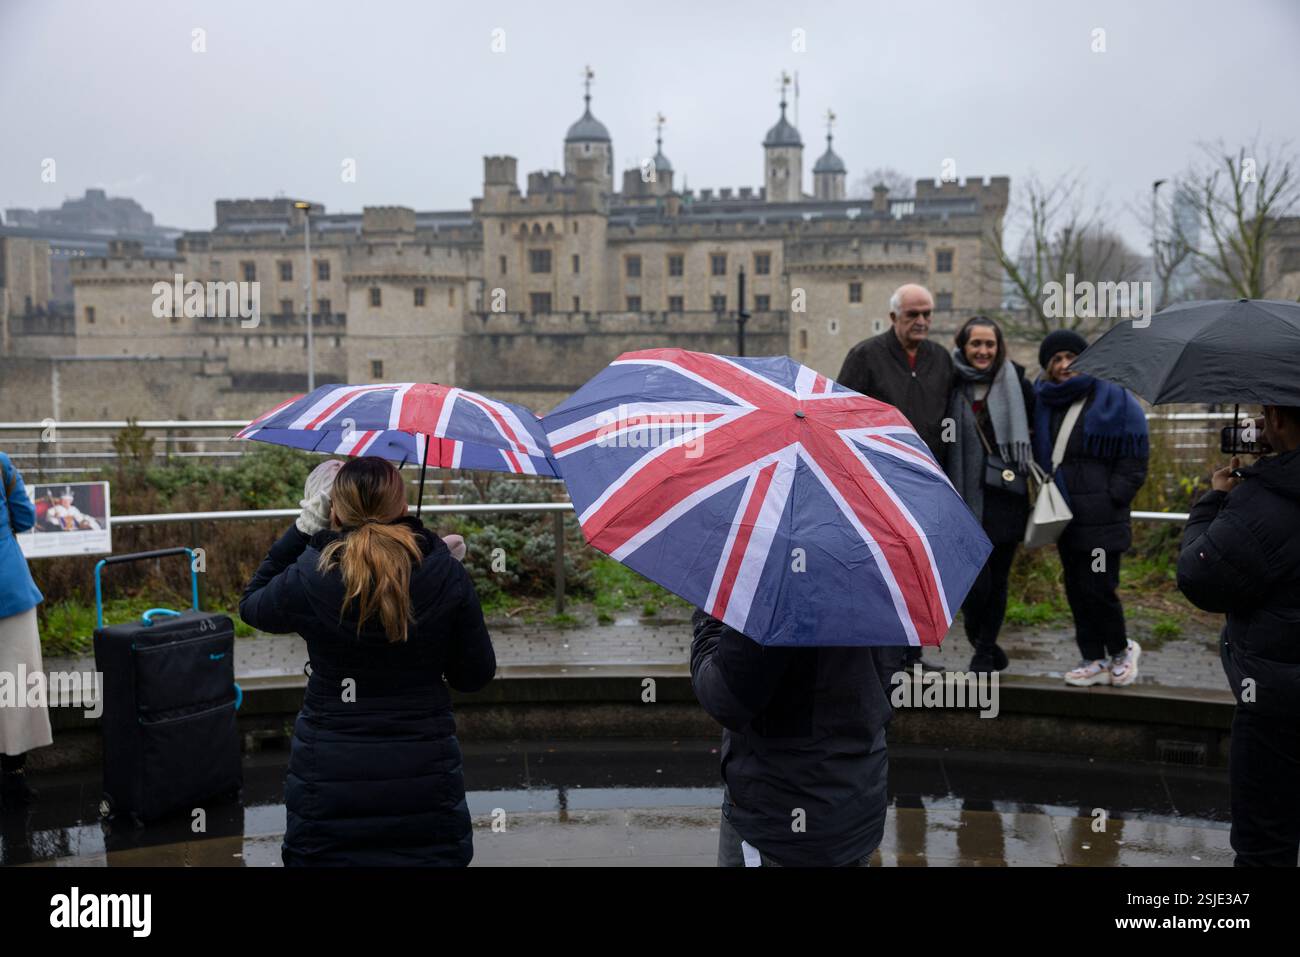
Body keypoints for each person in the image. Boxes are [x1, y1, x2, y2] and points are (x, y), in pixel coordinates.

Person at [240, 456, 495, 866]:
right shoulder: (444, 573)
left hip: (329, 783)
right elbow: (474, 675)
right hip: (424, 781)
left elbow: (252, 605)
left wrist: (303, 530)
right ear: (405, 508)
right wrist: (443, 590)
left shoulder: (310, 573)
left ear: (334, 511)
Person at [1177, 405, 1300, 866]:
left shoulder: (1264, 502)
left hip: (1276, 705)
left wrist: (1215, 499)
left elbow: (1199, 576)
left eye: (1265, 417)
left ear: (1279, 420)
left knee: (1265, 846)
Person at [690, 609, 893, 867]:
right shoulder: (889, 584)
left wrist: (710, 620)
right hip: (858, 809)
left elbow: (724, 698)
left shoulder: (776, 591)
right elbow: (886, 683)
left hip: (777, 822)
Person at [838, 283, 953, 673]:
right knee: (883, 569)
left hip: (925, 482)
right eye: (912, 315)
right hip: (878, 483)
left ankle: (912, 656)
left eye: (927, 314)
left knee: (920, 568)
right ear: (893, 318)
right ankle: (880, 657)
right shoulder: (865, 356)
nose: (921, 322)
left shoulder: (941, 359)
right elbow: (840, 416)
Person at [1033, 330, 1148, 688]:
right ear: (1048, 367)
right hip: (1066, 516)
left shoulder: (1115, 398)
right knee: (1077, 589)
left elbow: (1135, 456)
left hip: (1104, 517)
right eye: (1057, 360)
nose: (1065, 366)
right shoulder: (1043, 401)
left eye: (1072, 357)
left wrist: (1114, 496)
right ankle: (1092, 657)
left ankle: (1120, 650)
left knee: (1100, 587)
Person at [944, 316, 1034, 672]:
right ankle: (979, 637)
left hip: (1005, 494)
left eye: (989, 344)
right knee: (971, 581)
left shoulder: (1019, 383)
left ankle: (984, 650)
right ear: (963, 346)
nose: (983, 351)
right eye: (976, 344)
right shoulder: (951, 383)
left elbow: (1034, 436)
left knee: (997, 579)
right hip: (962, 495)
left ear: (999, 347)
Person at [0, 452, 53, 807]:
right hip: (8, 589)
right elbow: (24, 516)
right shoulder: (0, 462)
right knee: (16, 685)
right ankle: (13, 778)